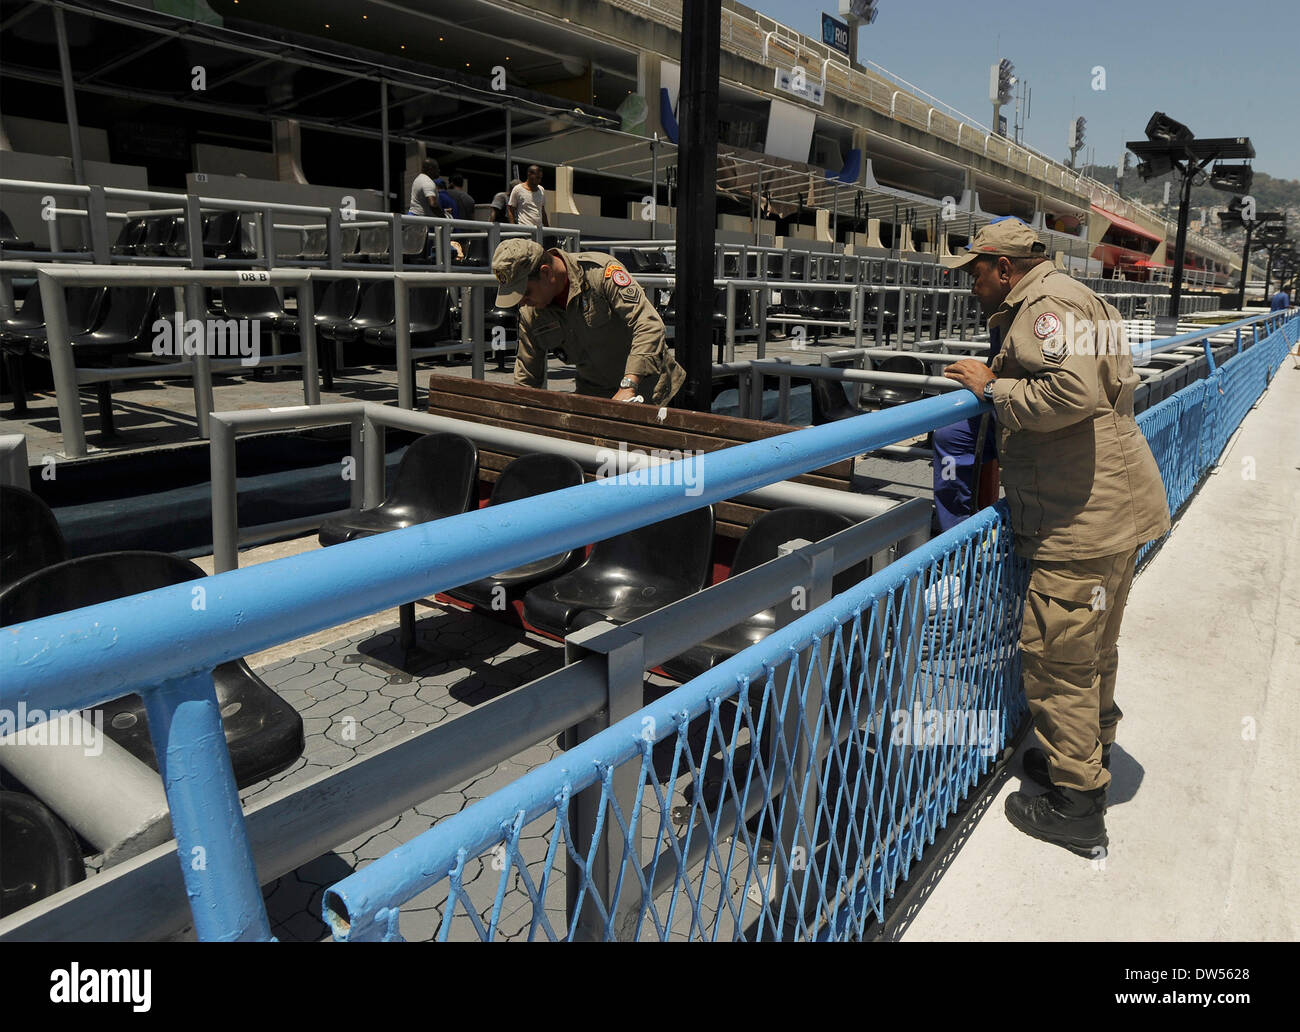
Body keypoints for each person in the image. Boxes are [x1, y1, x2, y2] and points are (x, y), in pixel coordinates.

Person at [941, 217, 1171, 858]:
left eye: (976, 271)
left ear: (1005, 268)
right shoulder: (1074, 296)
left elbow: (1073, 390)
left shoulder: (1044, 308)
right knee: (1092, 650)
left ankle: (1077, 806)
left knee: (1057, 658)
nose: (972, 284)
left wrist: (994, 388)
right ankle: (1082, 758)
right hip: (1110, 509)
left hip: (1082, 518)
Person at [491, 238, 684, 405]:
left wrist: (629, 384)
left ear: (546, 273)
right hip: (595, 396)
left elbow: (649, 324)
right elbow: (527, 375)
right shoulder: (531, 312)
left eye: (525, 293)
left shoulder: (600, 273)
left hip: (652, 390)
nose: (522, 302)